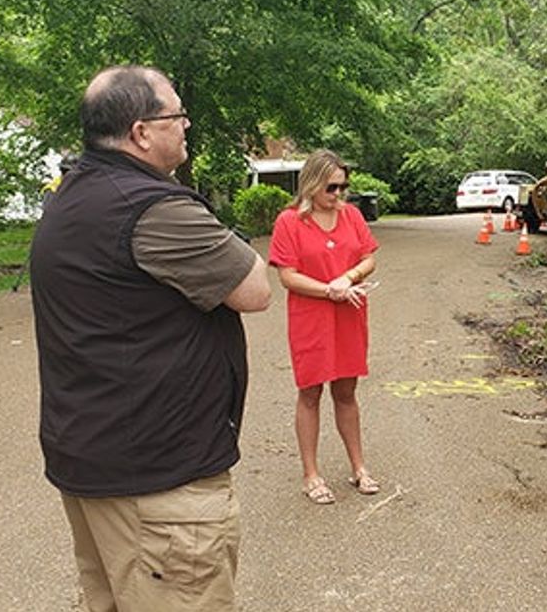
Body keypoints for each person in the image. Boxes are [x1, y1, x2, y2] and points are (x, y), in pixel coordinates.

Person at [31, 65, 272, 611]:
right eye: (177, 115)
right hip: (159, 481)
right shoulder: (152, 208)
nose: (186, 126)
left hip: (94, 460)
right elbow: (254, 288)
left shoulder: (71, 196)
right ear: (141, 131)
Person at [268, 149, 379, 505]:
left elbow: (369, 257)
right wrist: (329, 290)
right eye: (331, 188)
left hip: (349, 314)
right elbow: (287, 276)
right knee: (311, 393)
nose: (338, 195)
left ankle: (358, 467)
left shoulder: (352, 216)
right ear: (312, 184)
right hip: (311, 318)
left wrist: (348, 277)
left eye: (343, 187)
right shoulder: (289, 222)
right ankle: (311, 474)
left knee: (346, 393)